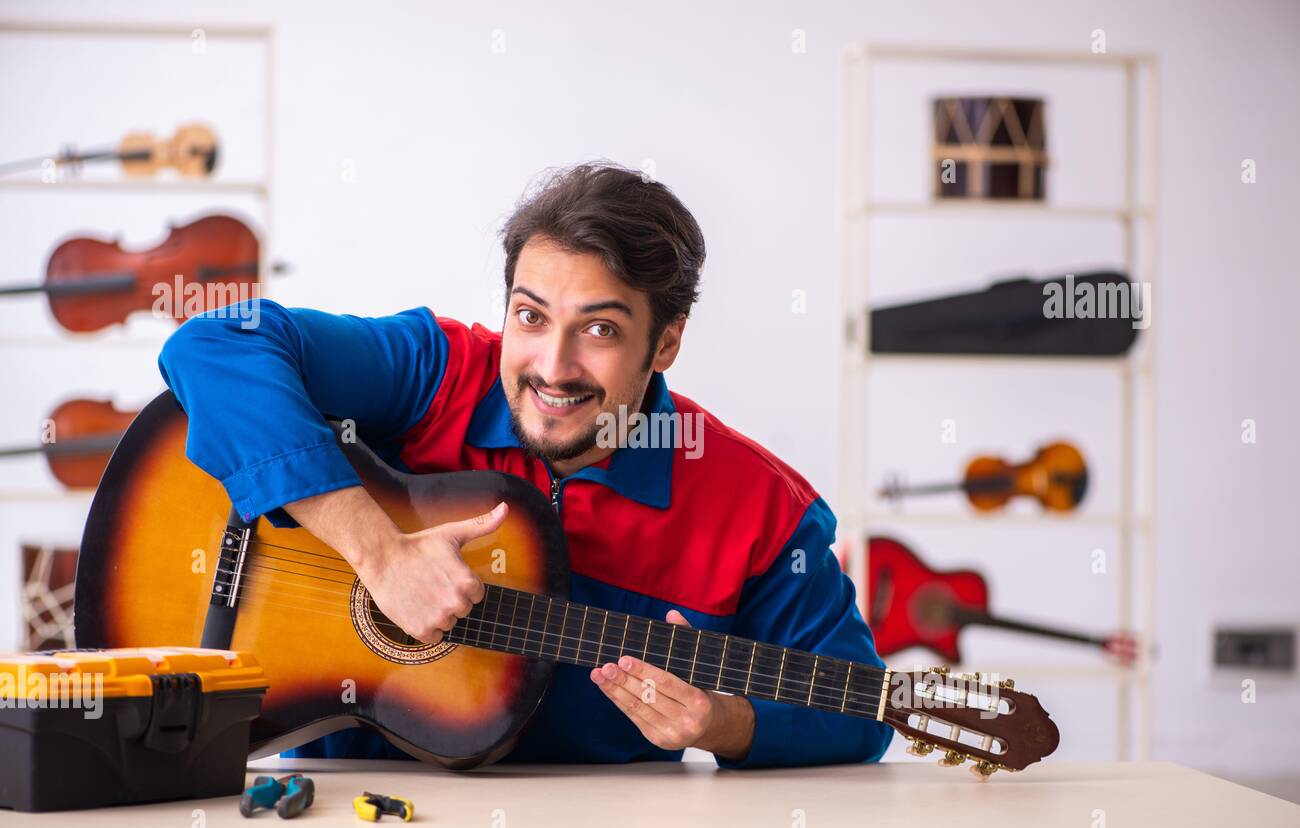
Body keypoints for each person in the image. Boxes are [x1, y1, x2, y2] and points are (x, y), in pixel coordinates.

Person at [157, 161, 893, 769]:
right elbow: (212, 345)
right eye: (531, 316)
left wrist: (723, 720)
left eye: (599, 328)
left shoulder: (760, 507)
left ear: (665, 344)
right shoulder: (435, 372)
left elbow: (862, 707)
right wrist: (378, 553)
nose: (553, 366)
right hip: (344, 816)